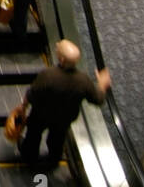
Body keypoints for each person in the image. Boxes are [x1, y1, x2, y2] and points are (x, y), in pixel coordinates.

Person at [17, 39, 111, 170]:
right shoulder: (83, 80)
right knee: (57, 138)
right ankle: (53, 159)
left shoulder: (48, 75)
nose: (56, 46)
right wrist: (101, 85)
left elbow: (32, 94)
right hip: (64, 118)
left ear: (61, 60)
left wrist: (23, 107)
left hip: (41, 115)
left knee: (33, 134)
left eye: (58, 48)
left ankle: (29, 156)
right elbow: (98, 100)